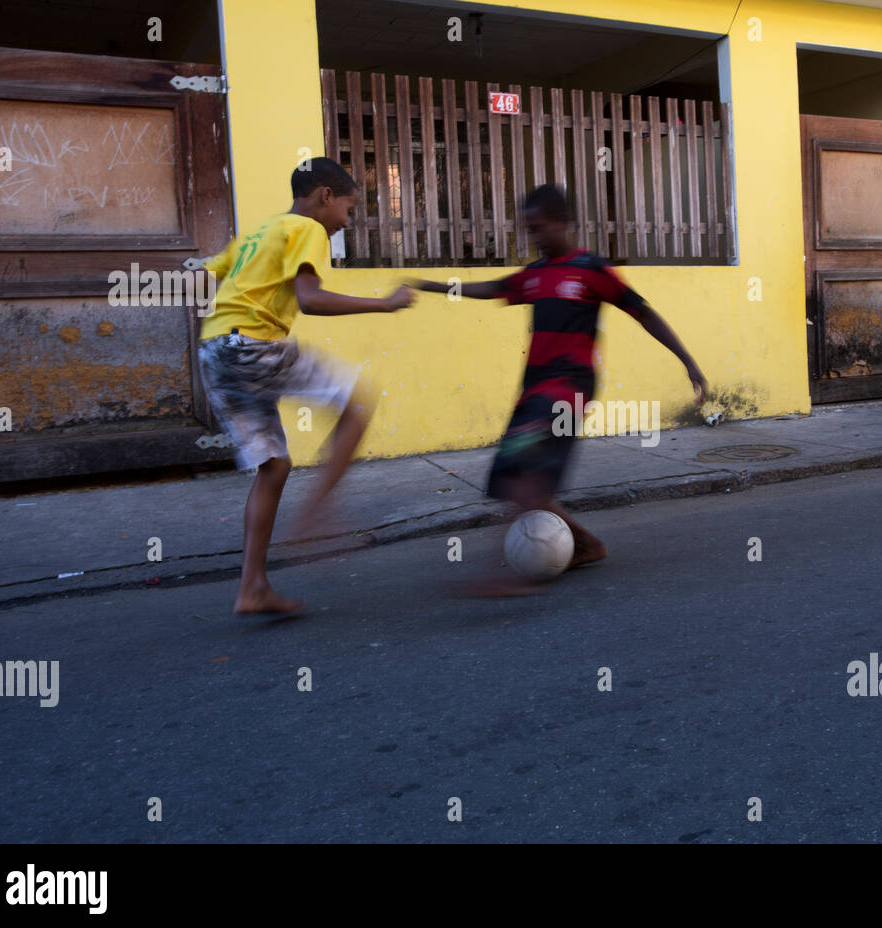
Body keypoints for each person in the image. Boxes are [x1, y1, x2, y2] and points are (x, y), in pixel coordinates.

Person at [410, 184, 708, 596]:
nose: (534, 236)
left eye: (540, 227)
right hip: (533, 391)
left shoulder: (591, 271)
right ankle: (587, 545)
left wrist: (688, 362)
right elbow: (490, 289)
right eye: (528, 229)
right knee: (512, 476)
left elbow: (644, 314)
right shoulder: (534, 276)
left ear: (564, 223)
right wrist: (432, 287)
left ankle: (512, 576)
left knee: (526, 466)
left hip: (569, 390)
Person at [199, 157, 415, 618]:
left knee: (274, 467)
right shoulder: (308, 229)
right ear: (325, 197)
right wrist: (384, 304)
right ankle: (319, 511)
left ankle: (252, 587)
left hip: (215, 351)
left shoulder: (261, 230)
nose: (346, 222)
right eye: (349, 210)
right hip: (253, 345)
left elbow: (220, 271)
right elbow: (310, 300)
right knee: (357, 403)